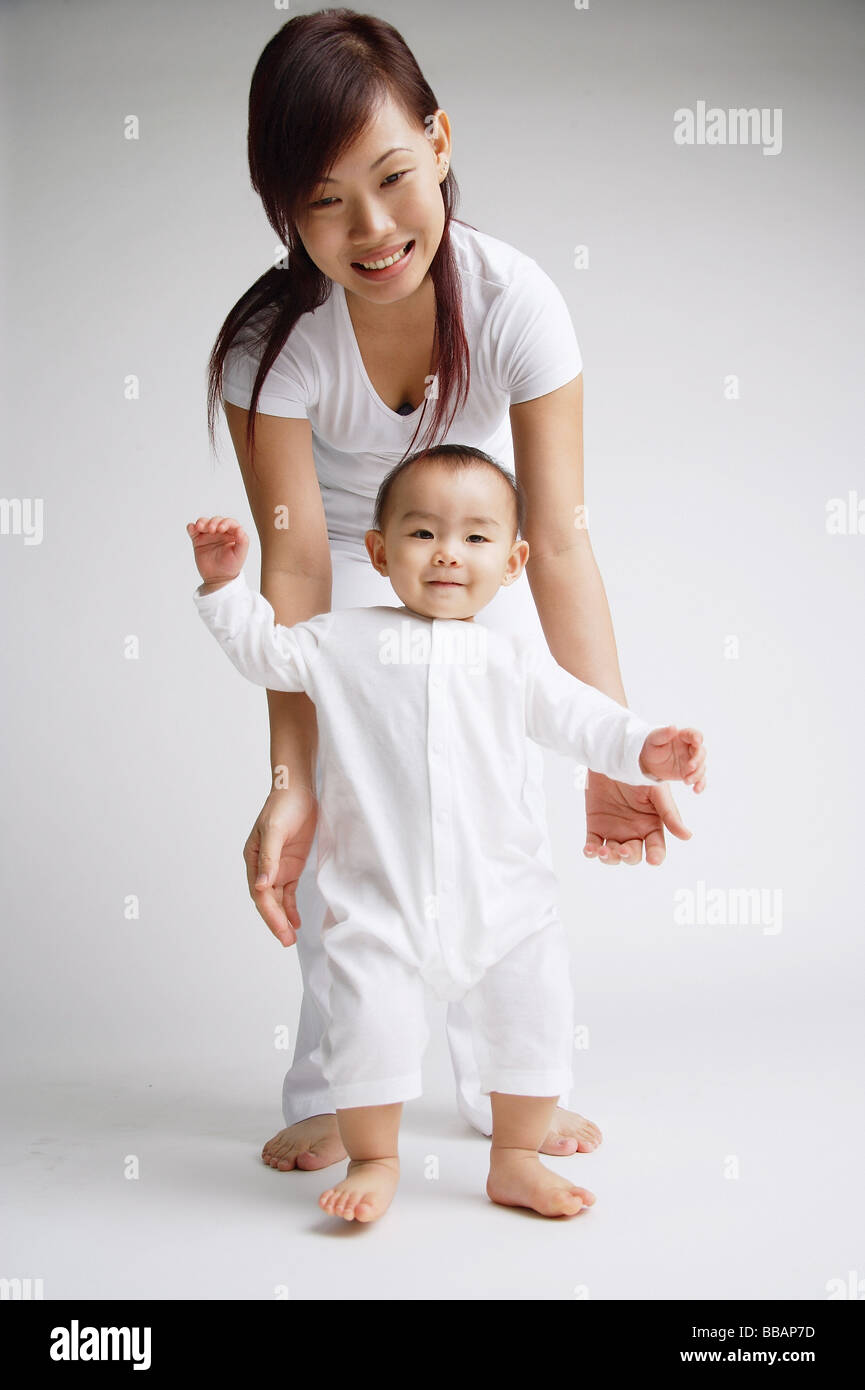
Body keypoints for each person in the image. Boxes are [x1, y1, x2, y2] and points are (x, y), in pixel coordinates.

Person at [205, 10, 700, 1175]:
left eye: (390, 178)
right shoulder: (272, 351)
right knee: (342, 846)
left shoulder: (516, 300)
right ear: (286, 213)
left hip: (468, 562)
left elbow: (562, 542)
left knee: (493, 824)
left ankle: (505, 1085)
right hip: (336, 585)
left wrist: (611, 754)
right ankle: (339, 1085)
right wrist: (289, 781)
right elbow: (295, 570)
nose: (372, 231)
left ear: (438, 140)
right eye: (325, 201)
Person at [187, 449, 706, 1221]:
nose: (446, 554)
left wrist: (643, 749)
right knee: (368, 1032)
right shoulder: (340, 641)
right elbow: (264, 651)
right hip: (380, 902)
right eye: (422, 532)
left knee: (532, 1021)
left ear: (513, 560)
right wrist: (225, 584)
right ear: (378, 550)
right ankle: (375, 1158)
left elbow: (583, 718)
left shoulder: (515, 660)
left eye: (474, 538)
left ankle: (516, 1159)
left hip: (507, 906)